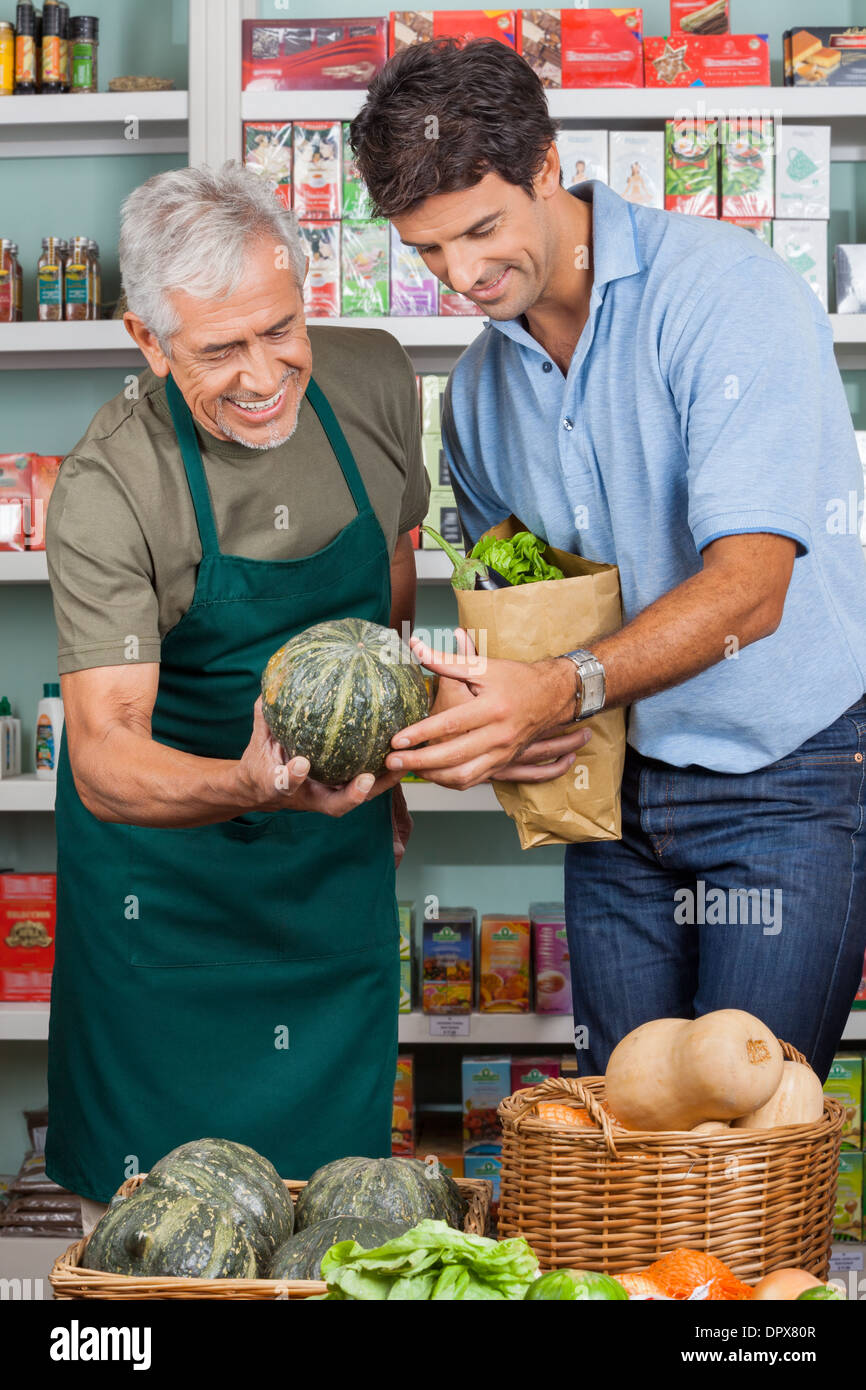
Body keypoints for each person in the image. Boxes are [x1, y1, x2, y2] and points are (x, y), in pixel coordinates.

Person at [350, 39, 866, 1080]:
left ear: (547, 167)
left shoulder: (725, 299)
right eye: (426, 252)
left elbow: (749, 590)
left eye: (480, 230)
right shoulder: (480, 396)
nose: (462, 276)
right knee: (621, 1124)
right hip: (610, 794)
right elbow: (513, 599)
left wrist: (555, 688)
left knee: (745, 1138)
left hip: (786, 780)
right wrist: (498, 721)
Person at [43, 163, 432, 1232]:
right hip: (166, 901)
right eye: (221, 349)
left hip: (327, 883)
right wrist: (248, 781)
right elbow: (106, 751)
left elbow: (392, 570)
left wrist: (381, 728)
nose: (266, 375)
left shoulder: (371, 380)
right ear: (148, 341)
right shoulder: (111, 485)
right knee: (160, 1233)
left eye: (282, 328)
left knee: (340, 1225)